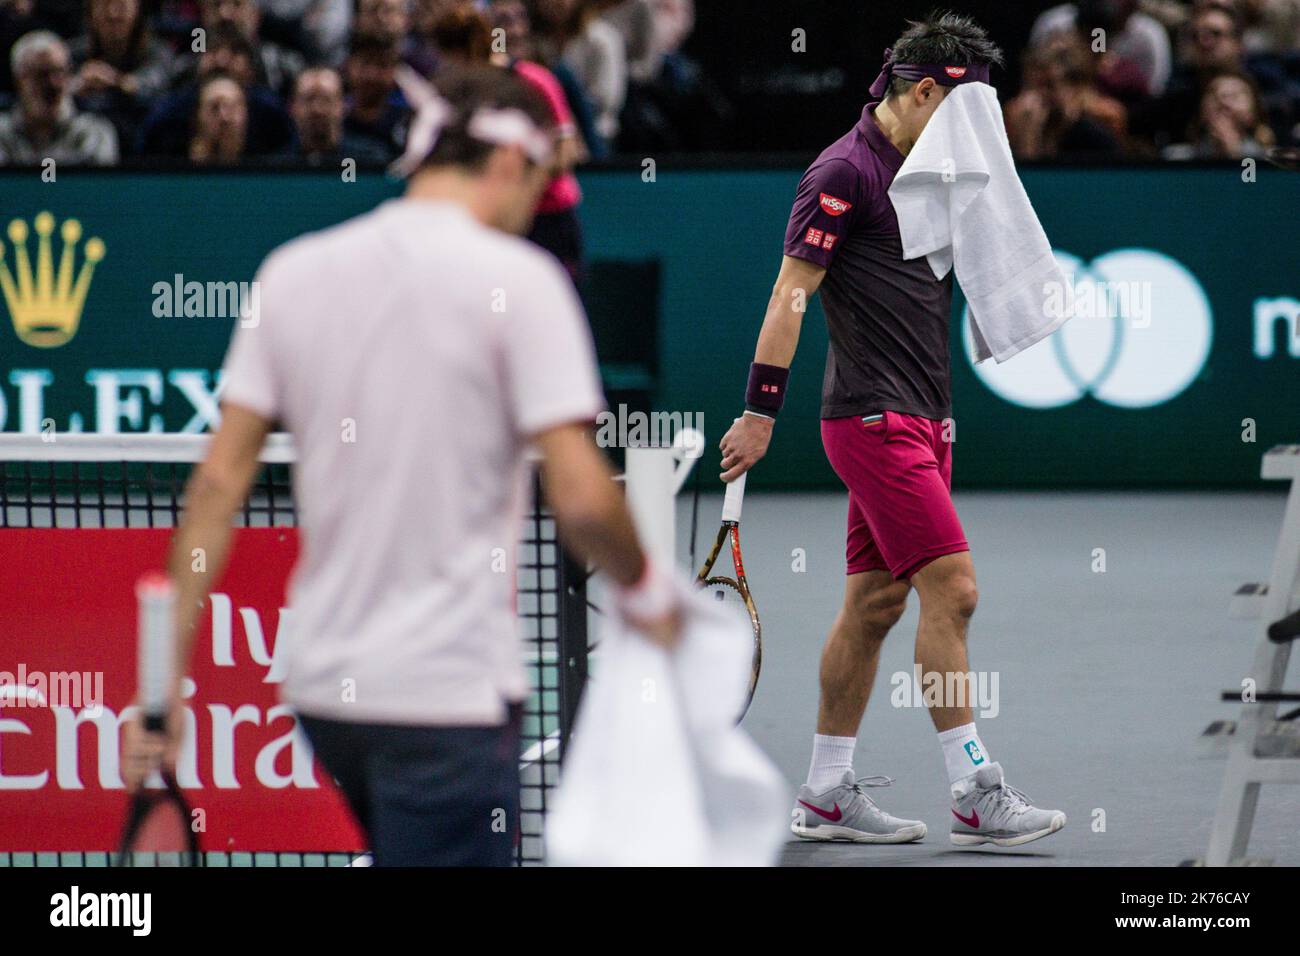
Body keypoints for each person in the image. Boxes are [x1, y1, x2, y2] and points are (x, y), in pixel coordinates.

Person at [120, 64, 681, 867]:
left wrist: (162, 683)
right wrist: (650, 593)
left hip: (325, 699)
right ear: (506, 163)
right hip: (445, 704)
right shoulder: (524, 284)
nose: (542, 209)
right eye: (544, 184)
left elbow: (216, 484)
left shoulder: (294, 272)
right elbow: (585, 500)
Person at [719, 12, 1067, 850]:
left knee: (873, 607)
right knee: (955, 590)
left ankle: (827, 792)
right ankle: (974, 788)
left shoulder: (929, 171)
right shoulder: (843, 171)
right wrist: (760, 411)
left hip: (924, 419)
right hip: (874, 421)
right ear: (918, 94)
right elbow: (789, 296)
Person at [0, 29, 118, 165]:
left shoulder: (94, 133)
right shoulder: (2, 135)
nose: (53, 84)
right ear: (19, 80)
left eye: (60, 72)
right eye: (42, 74)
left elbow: (97, 186)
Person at [280, 65, 390, 165]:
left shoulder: (370, 159)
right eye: (309, 99)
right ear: (292, 107)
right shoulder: (276, 166)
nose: (317, 109)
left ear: (343, 106)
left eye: (326, 99)